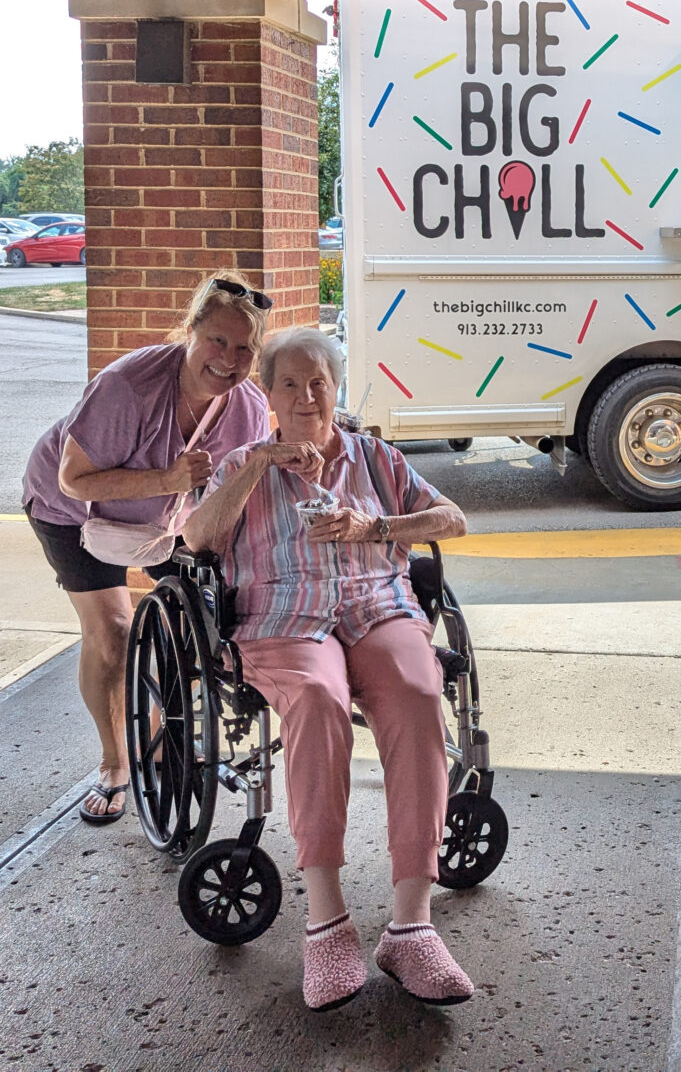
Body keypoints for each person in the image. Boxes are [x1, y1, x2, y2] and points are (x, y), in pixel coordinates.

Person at [183, 327, 472, 1013]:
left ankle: (411, 925)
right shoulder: (243, 465)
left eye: (320, 382)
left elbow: (452, 519)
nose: (308, 395)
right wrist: (258, 463)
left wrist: (371, 529)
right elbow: (196, 538)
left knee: (415, 688)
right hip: (285, 619)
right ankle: (328, 923)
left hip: (377, 609)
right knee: (314, 695)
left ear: (337, 388)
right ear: (268, 393)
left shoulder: (374, 459)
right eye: (291, 383)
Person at [21, 273, 271, 824]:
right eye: (218, 341)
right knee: (112, 633)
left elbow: (228, 501)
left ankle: (164, 729)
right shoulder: (128, 386)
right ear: (190, 331)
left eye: (244, 349)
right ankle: (115, 762)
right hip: (72, 511)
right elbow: (75, 480)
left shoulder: (246, 407)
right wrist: (168, 478)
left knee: (199, 616)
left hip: (162, 520)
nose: (229, 359)